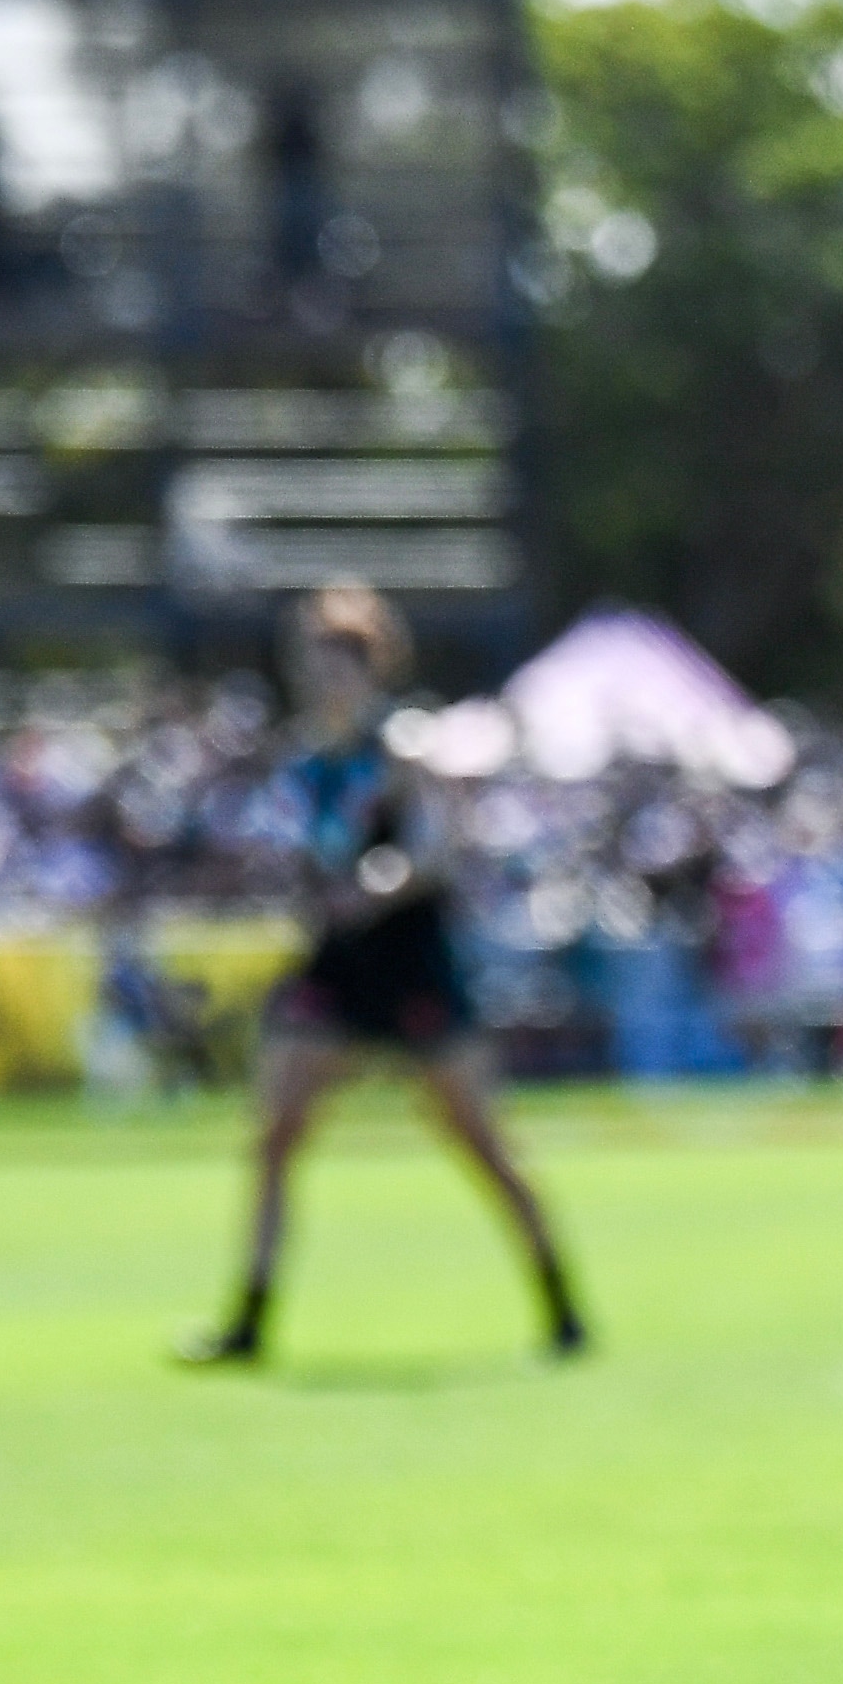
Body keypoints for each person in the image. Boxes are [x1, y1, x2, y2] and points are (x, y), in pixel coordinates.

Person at [180, 582, 586, 1364]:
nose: (323, 678)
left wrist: (376, 886)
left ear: (369, 668)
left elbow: (435, 848)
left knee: (477, 1139)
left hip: (410, 961)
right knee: (275, 1134)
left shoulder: (399, 746)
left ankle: (561, 1304)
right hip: (339, 963)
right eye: (312, 662)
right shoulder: (305, 759)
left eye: (338, 663)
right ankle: (249, 1321)